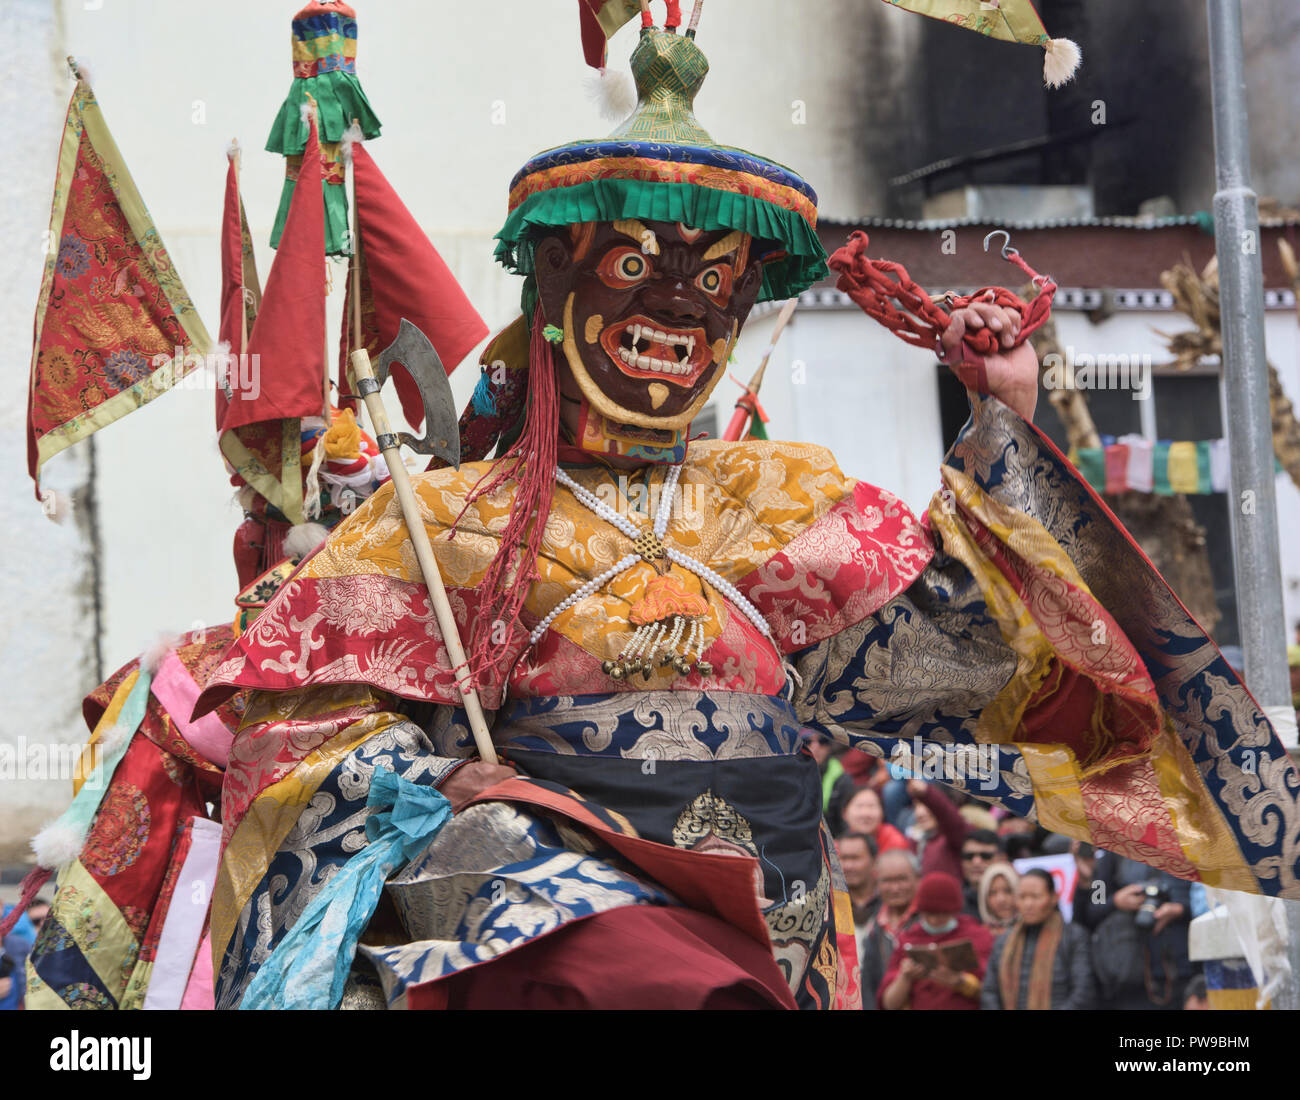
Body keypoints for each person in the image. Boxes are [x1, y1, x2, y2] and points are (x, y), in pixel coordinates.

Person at [186, 11, 1300, 1011]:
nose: (680, 299)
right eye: (636, 262)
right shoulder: (439, 522)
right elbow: (293, 739)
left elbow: (971, 657)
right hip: (557, 925)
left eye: (716, 280)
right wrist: (434, 786)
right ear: (560, 289)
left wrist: (1000, 414)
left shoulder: (780, 501)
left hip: (783, 920)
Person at [1072, 845, 1192, 1010]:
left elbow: (1214, 903)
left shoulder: (1187, 841)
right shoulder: (1112, 850)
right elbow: (1094, 907)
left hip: (1181, 969)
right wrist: (1116, 901)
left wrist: (1180, 909)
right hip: (1130, 971)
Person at [981, 868, 1095, 1009]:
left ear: (1054, 898)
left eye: (1035, 897)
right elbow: (990, 991)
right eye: (1022, 897)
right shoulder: (1004, 941)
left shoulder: (1074, 937)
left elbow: (1083, 992)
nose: (1028, 904)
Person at [879, 872, 992, 1010]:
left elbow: (996, 994)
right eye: (929, 914)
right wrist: (905, 977)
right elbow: (888, 1004)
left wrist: (961, 982)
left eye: (942, 914)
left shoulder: (976, 936)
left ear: (954, 911)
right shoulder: (909, 939)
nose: (934, 920)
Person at [859, 849, 920, 1010]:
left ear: (917, 879)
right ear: (877, 883)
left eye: (902, 879)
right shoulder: (873, 922)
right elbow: (868, 982)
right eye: (887, 881)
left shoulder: (930, 919)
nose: (895, 888)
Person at [907, 779, 971, 882]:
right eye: (916, 806)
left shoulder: (957, 835)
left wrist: (927, 793)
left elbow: (950, 819)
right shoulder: (915, 840)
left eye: (927, 806)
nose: (919, 813)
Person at [834, 832, 880, 963]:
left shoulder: (889, 904)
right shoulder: (827, 906)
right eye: (842, 859)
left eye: (855, 858)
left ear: (874, 861)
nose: (848, 866)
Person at [838, 786, 909, 853]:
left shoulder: (895, 842)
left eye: (871, 806)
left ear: (883, 812)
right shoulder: (837, 848)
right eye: (859, 806)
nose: (865, 813)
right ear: (844, 813)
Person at [959, 829, 1001, 914]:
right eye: (969, 856)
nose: (976, 862)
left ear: (1002, 858)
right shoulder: (955, 904)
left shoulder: (1018, 901)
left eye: (985, 856)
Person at [977, 861, 1019, 932]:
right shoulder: (980, 935)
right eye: (993, 893)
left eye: (1008, 891)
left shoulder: (1033, 931)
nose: (1001, 900)